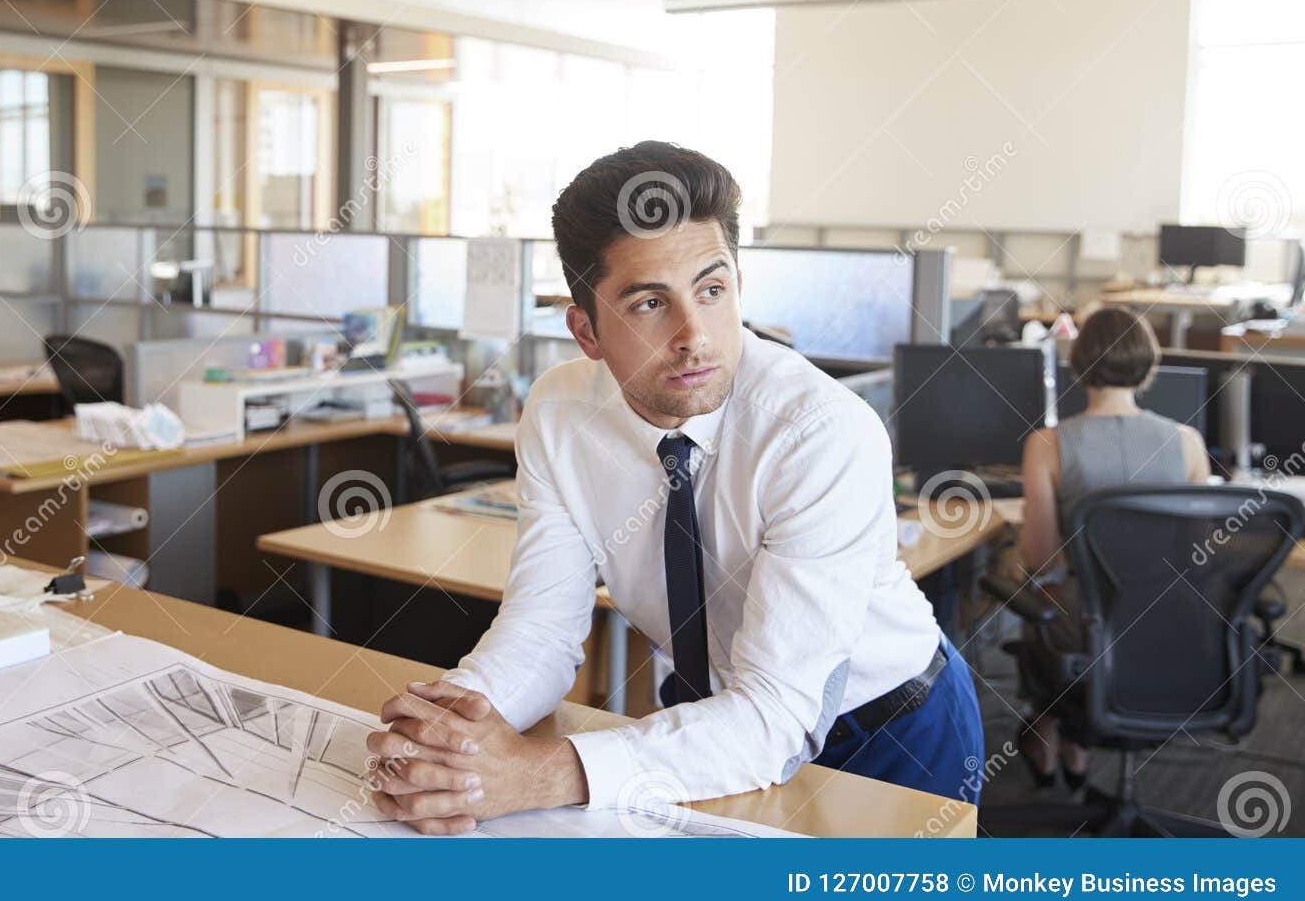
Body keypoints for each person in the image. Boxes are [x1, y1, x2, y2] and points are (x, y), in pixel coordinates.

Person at [364, 141, 983, 834]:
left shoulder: (819, 432)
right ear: (585, 331)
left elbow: (777, 714)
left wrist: (534, 771)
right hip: (710, 725)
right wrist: (451, 726)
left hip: (888, 733)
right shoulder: (560, 411)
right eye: (650, 302)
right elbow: (542, 628)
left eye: (713, 290)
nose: (696, 335)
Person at [1014, 305, 1210, 788]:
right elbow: (1200, 555)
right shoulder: (1187, 442)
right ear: (1149, 366)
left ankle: (1051, 728)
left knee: (1035, 594)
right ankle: (1072, 738)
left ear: (1078, 366)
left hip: (1088, 624)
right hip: (1172, 623)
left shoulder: (1048, 444)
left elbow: (1041, 560)